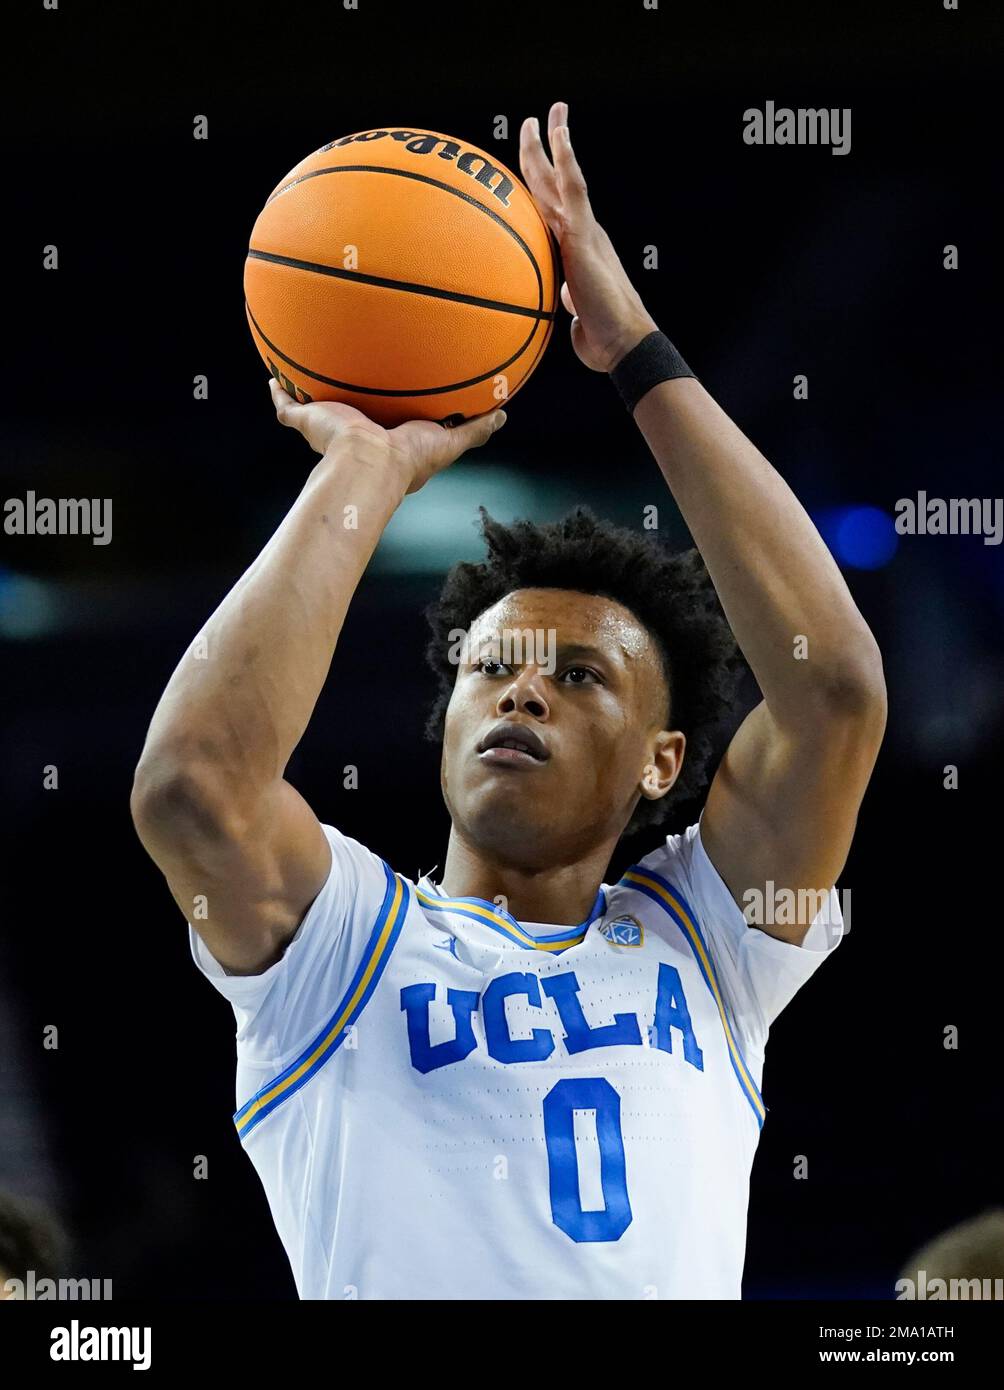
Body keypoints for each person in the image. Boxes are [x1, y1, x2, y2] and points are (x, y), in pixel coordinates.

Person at [130, 102, 886, 1299]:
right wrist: (361, 474)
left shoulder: (707, 940)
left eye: (578, 675)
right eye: (490, 667)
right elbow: (188, 786)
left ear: (660, 759)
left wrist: (633, 346)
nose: (521, 686)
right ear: (447, 722)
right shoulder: (344, 947)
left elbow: (833, 687)